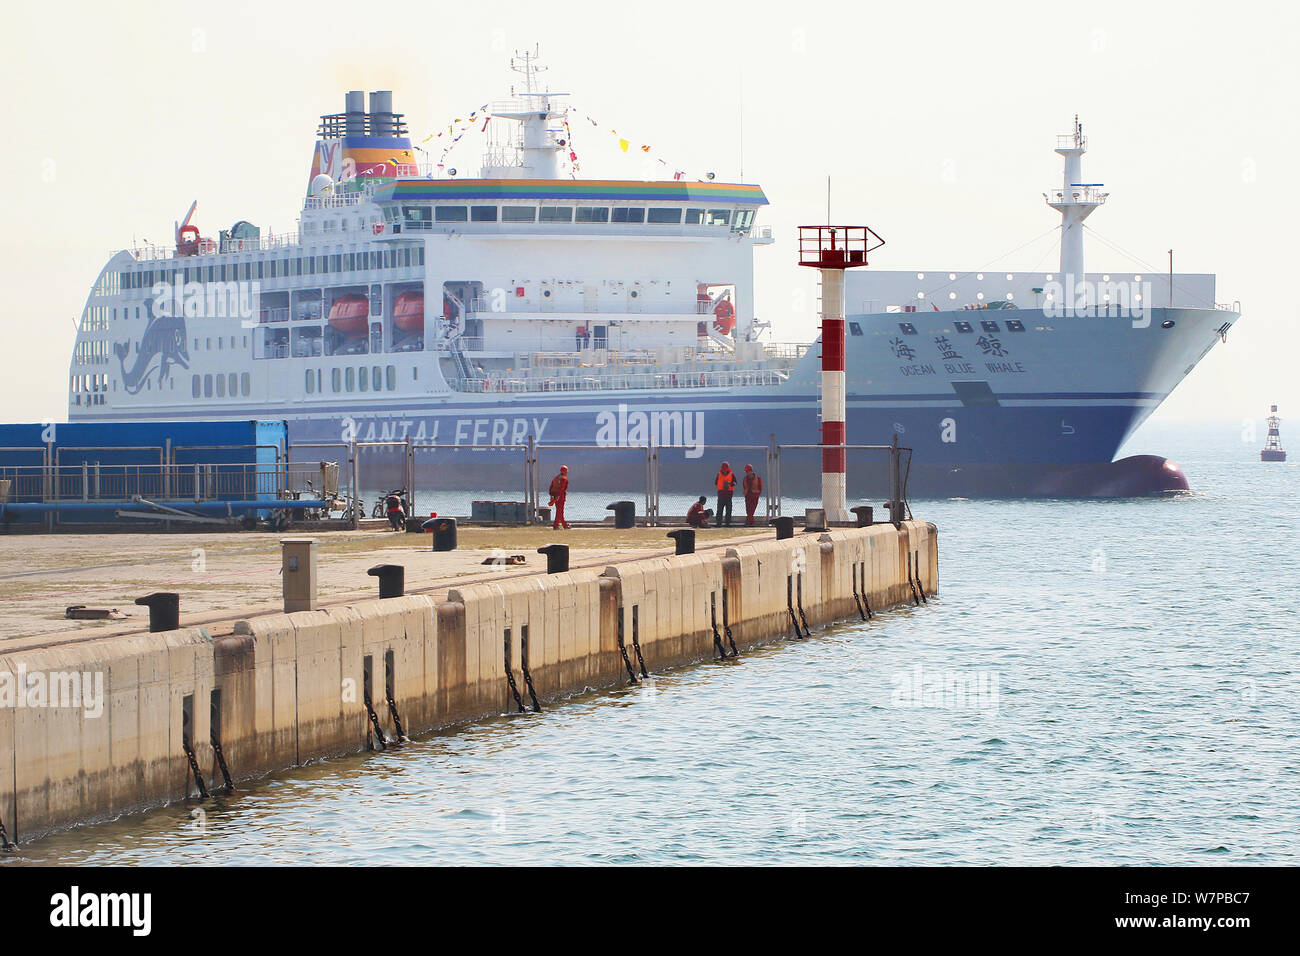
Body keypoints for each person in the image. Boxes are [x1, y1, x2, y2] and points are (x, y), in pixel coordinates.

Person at [548, 465, 571, 530]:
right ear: (565, 471)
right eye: (566, 471)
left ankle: (564, 525)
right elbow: (562, 489)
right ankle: (556, 526)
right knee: (560, 511)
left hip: (555, 496)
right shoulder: (564, 479)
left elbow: (551, 488)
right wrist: (558, 496)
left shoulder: (556, 478)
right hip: (560, 497)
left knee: (559, 511)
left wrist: (552, 496)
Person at [714, 461, 736, 527]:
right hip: (721, 495)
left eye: (725, 468)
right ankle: (718, 523)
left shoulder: (732, 474)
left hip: (729, 496)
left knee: (728, 510)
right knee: (719, 510)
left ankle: (727, 524)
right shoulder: (719, 474)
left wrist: (730, 484)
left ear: (727, 468)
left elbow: (735, 483)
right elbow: (715, 483)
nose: (724, 469)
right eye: (723, 468)